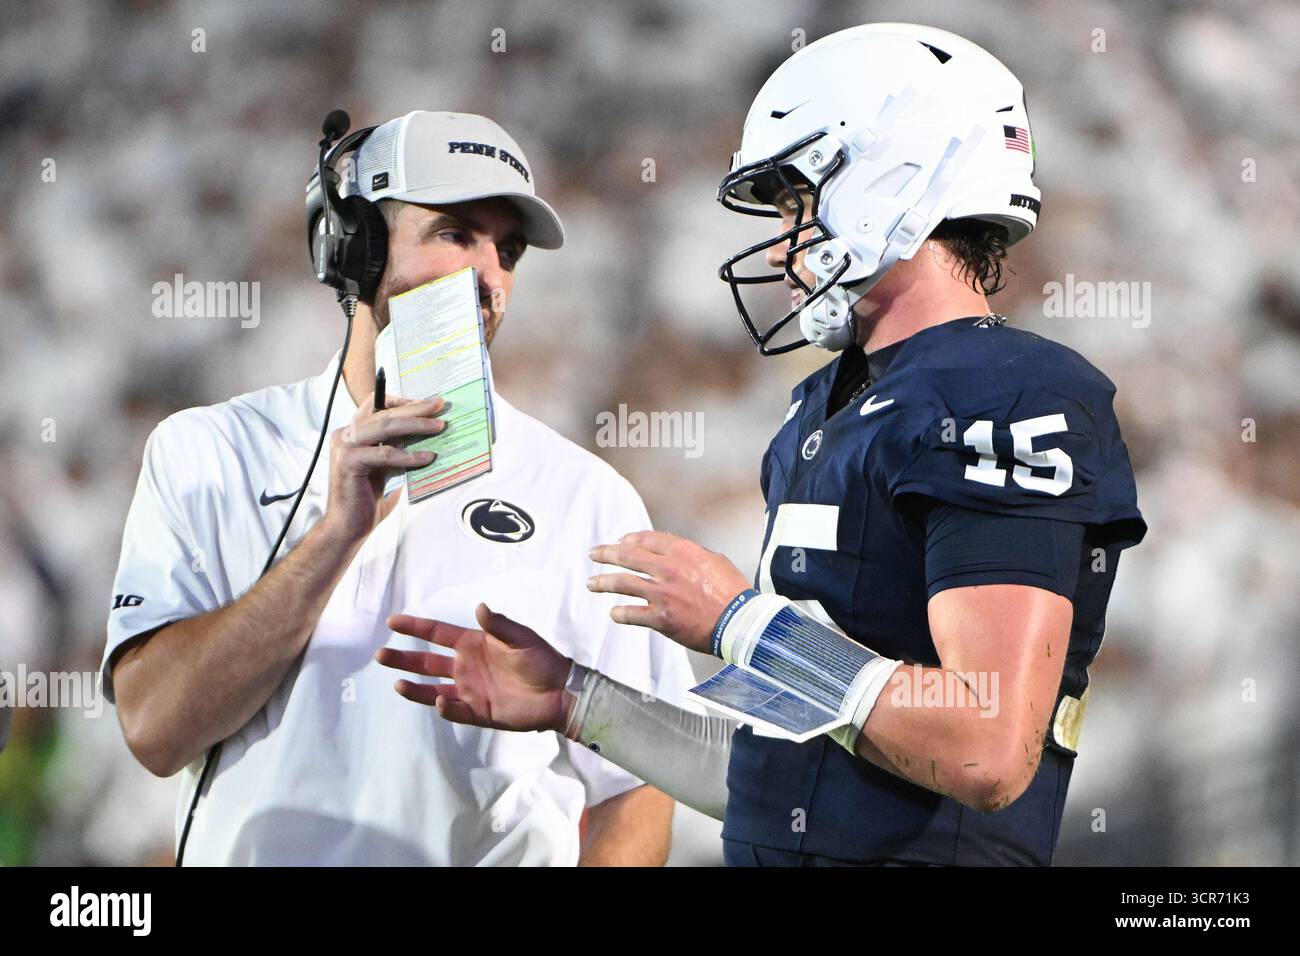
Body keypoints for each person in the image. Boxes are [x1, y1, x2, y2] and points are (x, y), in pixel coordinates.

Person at [376, 25, 1147, 866]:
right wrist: (578, 700)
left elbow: (984, 747)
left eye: (796, 203)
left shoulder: (1010, 393)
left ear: (893, 173)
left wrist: (742, 621)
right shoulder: (822, 409)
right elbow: (787, 781)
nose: (783, 244)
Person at [102, 110, 692, 866]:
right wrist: (337, 533)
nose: (490, 277)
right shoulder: (209, 451)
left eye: (506, 250)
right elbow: (155, 730)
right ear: (353, 249)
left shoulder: (584, 494)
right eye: (454, 233)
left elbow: (641, 780)